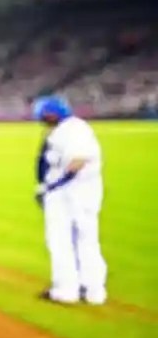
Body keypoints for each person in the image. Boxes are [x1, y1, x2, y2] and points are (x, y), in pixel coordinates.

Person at [32, 95, 106, 305]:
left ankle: (68, 290)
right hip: (70, 193)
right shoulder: (63, 130)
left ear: (52, 114)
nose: (42, 119)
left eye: (44, 115)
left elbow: (78, 161)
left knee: (63, 240)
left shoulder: (75, 129)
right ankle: (90, 289)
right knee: (82, 240)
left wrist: (52, 186)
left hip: (72, 193)